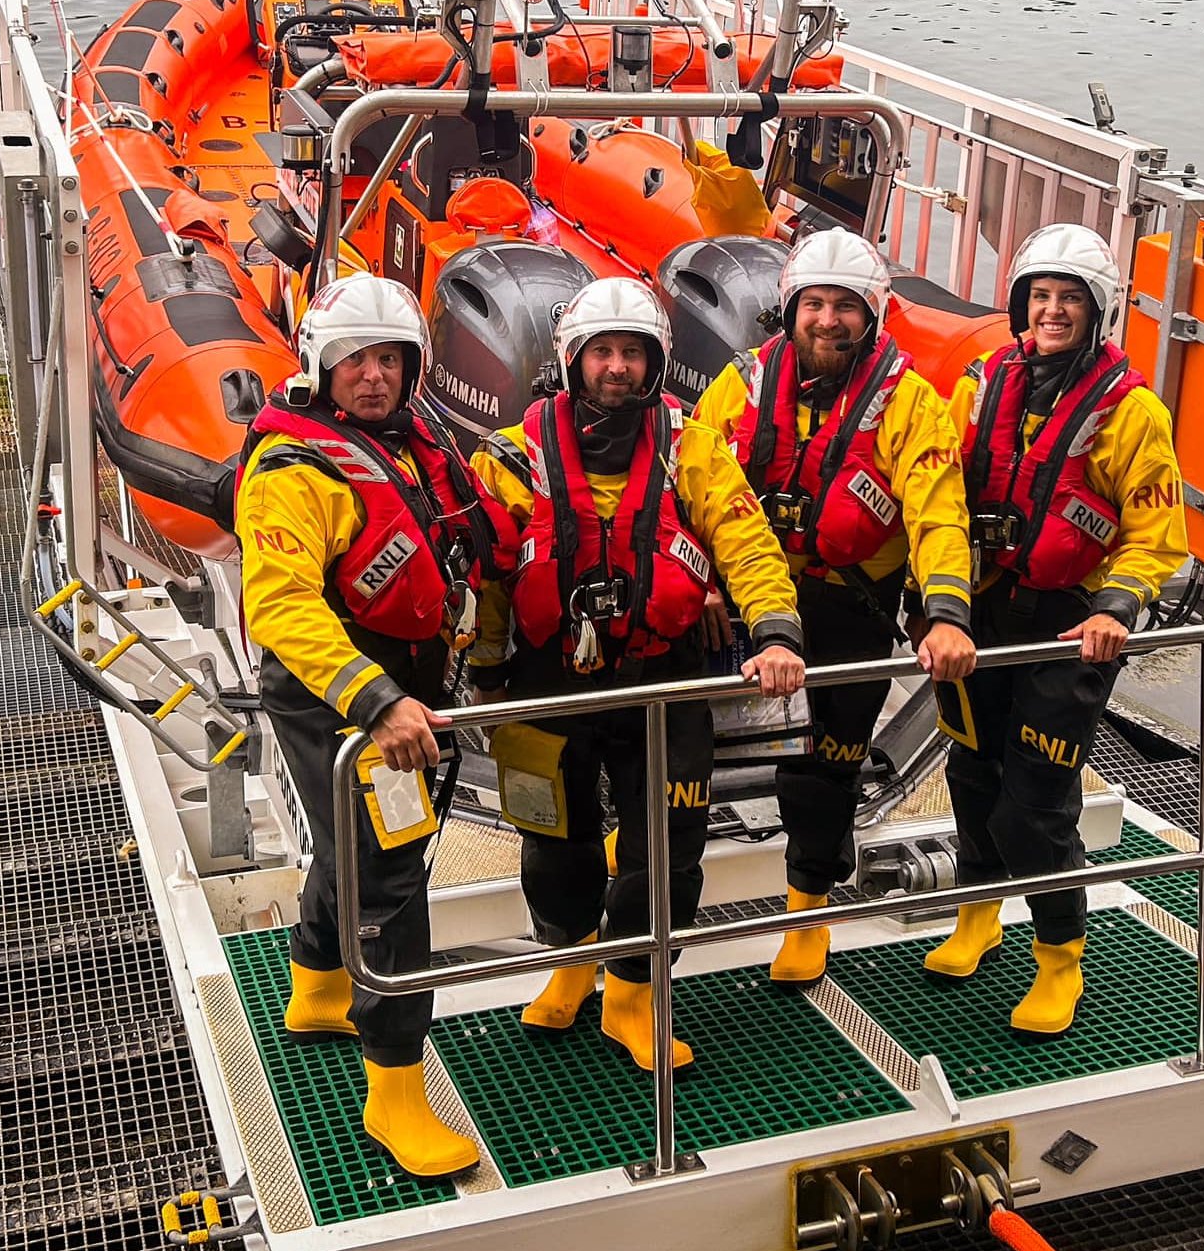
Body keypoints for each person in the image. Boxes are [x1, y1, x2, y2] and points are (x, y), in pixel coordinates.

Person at [468, 277, 805, 1072]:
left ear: (656, 362)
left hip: (662, 683)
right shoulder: (511, 455)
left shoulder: (695, 449)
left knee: (668, 849)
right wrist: (486, 673)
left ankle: (632, 990)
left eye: (633, 352)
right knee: (553, 838)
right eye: (603, 352)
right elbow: (490, 579)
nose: (617, 367)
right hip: (549, 682)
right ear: (572, 360)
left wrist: (775, 632)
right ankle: (570, 959)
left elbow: (748, 543)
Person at [235, 273, 515, 1178]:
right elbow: (281, 606)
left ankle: (315, 984)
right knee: (390, 871)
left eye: (391, 361)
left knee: (345, 843)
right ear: (322, 365)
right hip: (338, 690)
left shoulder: (408, 443)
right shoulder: (294, 471)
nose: (374, 377)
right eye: (356, 360)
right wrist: (377, 701)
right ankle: (394, 1091)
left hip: (400, 678)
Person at [921, 223, 1189, 1036]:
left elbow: (1157, 534)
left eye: (1070, 299)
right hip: (984, 612)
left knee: (1033, 804)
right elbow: (937, 488)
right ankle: (977, 916)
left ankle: (1059, 958)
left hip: (1072, 627)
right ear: (1018, 306)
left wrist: (1117, 608)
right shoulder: (983, 386)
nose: (1053, 311)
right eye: (1040, 296)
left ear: (1097, 310)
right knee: (972, 773)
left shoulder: (1132, 413)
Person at [694, 226, 977, 986]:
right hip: (743, 607)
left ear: (872, 315)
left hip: (849, 608)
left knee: (826, 769)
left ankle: (807, 913)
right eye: (814, 304)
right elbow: (689, 479)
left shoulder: (910, 405)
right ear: (789, 309)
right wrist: (705, 584)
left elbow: (939, 514)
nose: (828, 320)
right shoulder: (742, 384)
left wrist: (946, 613)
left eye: (845, 306)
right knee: (686, 750)